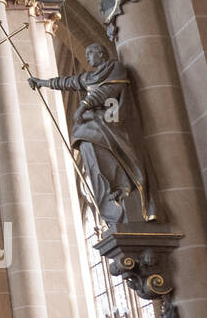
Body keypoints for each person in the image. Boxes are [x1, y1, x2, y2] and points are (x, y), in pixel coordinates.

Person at [29, 43, 153, 223]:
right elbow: (68, 82)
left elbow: (108, 90)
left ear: (101, 54)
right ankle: (110, 191)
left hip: (111, 122)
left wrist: (83, 107)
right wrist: (42, 83)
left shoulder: (114, 68)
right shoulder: (90, 76)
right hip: (94, 123)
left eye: (89, 53)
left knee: (101, 143)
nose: (87, 58)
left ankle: (123, 185)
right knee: (87, 145)